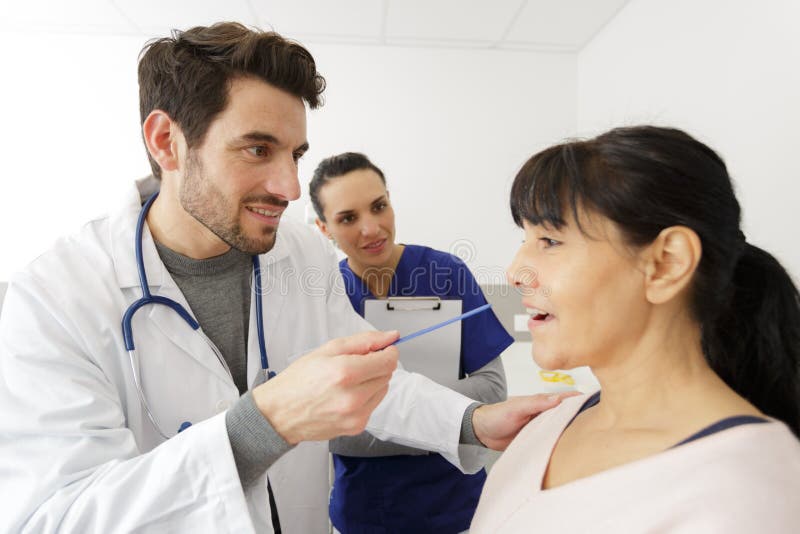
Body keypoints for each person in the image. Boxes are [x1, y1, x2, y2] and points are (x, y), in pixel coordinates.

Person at [0, 23, 570, 534]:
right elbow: (55, 516)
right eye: (257, 149)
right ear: (166, 142)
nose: (290, 188)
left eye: (295, 154)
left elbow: (368, 379)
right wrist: (261, 426)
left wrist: (472, 421)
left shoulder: (296, 250)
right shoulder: (54, 300)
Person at [470, 125, 800, 533]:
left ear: (666, 263)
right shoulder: (547, 427)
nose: (516, 272)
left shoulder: (747, 492)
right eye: (526, 238)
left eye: (550, 241)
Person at [309, 152, 514, 533]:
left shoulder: (445, 273)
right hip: (364, 513)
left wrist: (375, 411)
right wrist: (451, 422)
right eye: (348, 218)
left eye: (378, 206)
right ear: (324, 229)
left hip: (455, 508)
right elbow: (327, 429)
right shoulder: (327, 295)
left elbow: (492, 391)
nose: (371, 228)